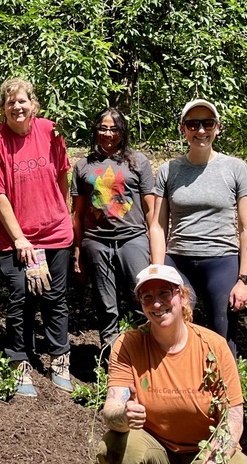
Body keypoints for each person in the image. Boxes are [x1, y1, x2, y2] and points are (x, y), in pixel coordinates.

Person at [97, 264, 247, 464]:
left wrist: (213, 461)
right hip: (156, 448)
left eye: (164, 293)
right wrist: (124, 416)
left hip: (204, 449)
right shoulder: (129, 344)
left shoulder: (214, 346)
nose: (157, 304)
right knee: (118, 445)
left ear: (183, 297)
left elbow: (233, 417)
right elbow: (111, 409)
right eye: (147, 297)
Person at [0, 77, 72, 397]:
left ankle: (60, 358)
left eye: (23, 101)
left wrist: (61, 213)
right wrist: (22, 239)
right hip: (13, 237)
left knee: (54, 296)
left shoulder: (50, 131)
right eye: (10, 103)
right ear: (2, 109)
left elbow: (63, 176)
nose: (17, 107)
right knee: (21, 293)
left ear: (33, 104)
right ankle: (19, 360)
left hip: (55, 233)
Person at [150, 99, 247, 355]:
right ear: (183, 129)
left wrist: (244, 279)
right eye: (193, 124)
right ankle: (175, 386)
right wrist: (157, 271)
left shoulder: (235, 168)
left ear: (217, 128)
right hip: (178, 259)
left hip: (221, 260)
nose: (200, 130)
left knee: (223, 332)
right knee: (174, 323)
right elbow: (157, 225)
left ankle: (226, 391)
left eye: (207, 123)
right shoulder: (169, 170)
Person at [72, 108, 156, 353]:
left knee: (142, 299)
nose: (108, 134)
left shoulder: (138, 161)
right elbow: (76, 214)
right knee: (105, 305)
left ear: (122, 131)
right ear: (96, 130)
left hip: (134, 239)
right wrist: (77, 251)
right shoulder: (82, 166)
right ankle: (111, 359)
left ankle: (146, 355)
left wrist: (154, 244)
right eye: (103, 128)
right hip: (96, 242)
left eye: (114, 128)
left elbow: (151, 209)